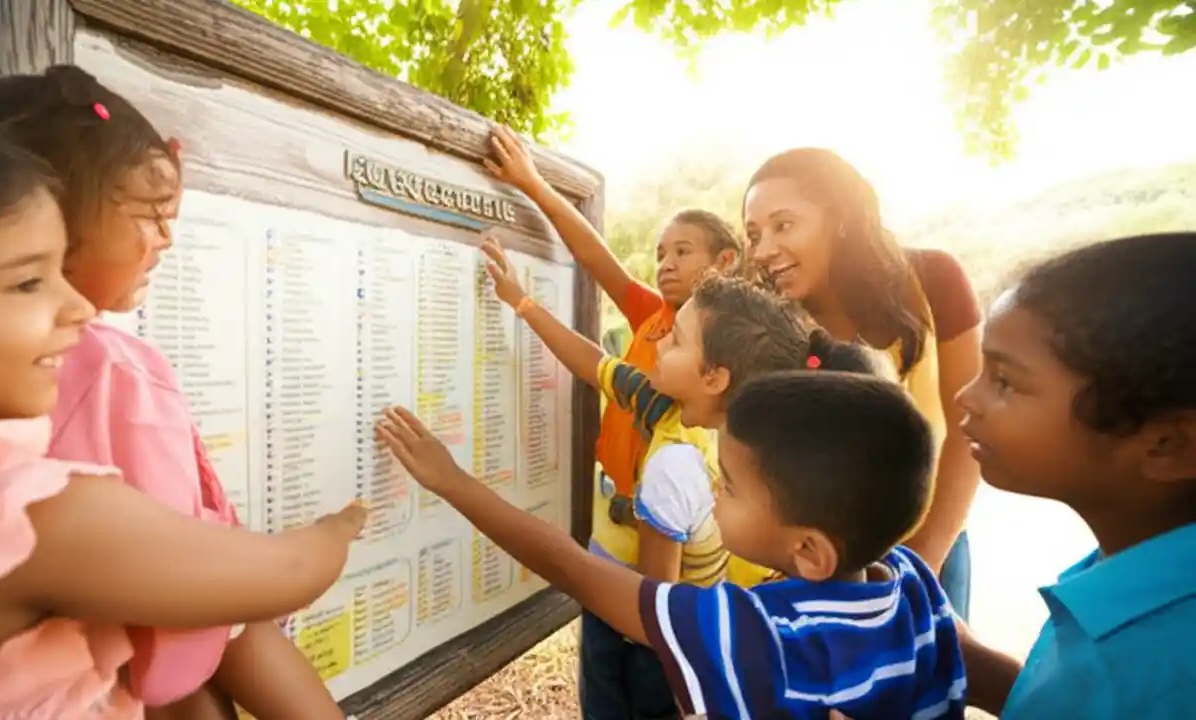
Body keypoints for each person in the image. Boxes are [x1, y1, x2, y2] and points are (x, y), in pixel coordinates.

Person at [0, 95, 366, 718]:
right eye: (28, 280)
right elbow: (261, 572)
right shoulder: (24, 509)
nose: (73, 307)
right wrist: (334, 533)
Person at [379, 370, 965, 719]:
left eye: (730, 487)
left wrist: (450, 481)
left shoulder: (758, 634)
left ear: (809, 551)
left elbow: (573, 568)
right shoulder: (911, 583)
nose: (714, 488)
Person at [487, 128, 741, 719]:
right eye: (660, 253)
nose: (666, 264)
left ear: (725, 262)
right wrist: (531, 184)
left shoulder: (728, 357)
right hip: (615, 537)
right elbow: (593, 258)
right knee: (601, 687)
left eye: (683, 251)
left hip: (673, 549)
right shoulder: (653, 319)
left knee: (655, 677)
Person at [955, 233, 1196, 718]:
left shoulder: (1165, 665)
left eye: (1004, 381)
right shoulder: (1128, 574)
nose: (966, 396)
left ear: (1167, 446)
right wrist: (982, 673)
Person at [742, 148, 982, 617]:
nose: (763, 249)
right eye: (754, 234)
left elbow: (970, 427)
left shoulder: (934, 281)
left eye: (783, 225)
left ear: (841, 219)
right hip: (813, 564)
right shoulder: (770, 319)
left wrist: (923, 562)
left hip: (933, 546)